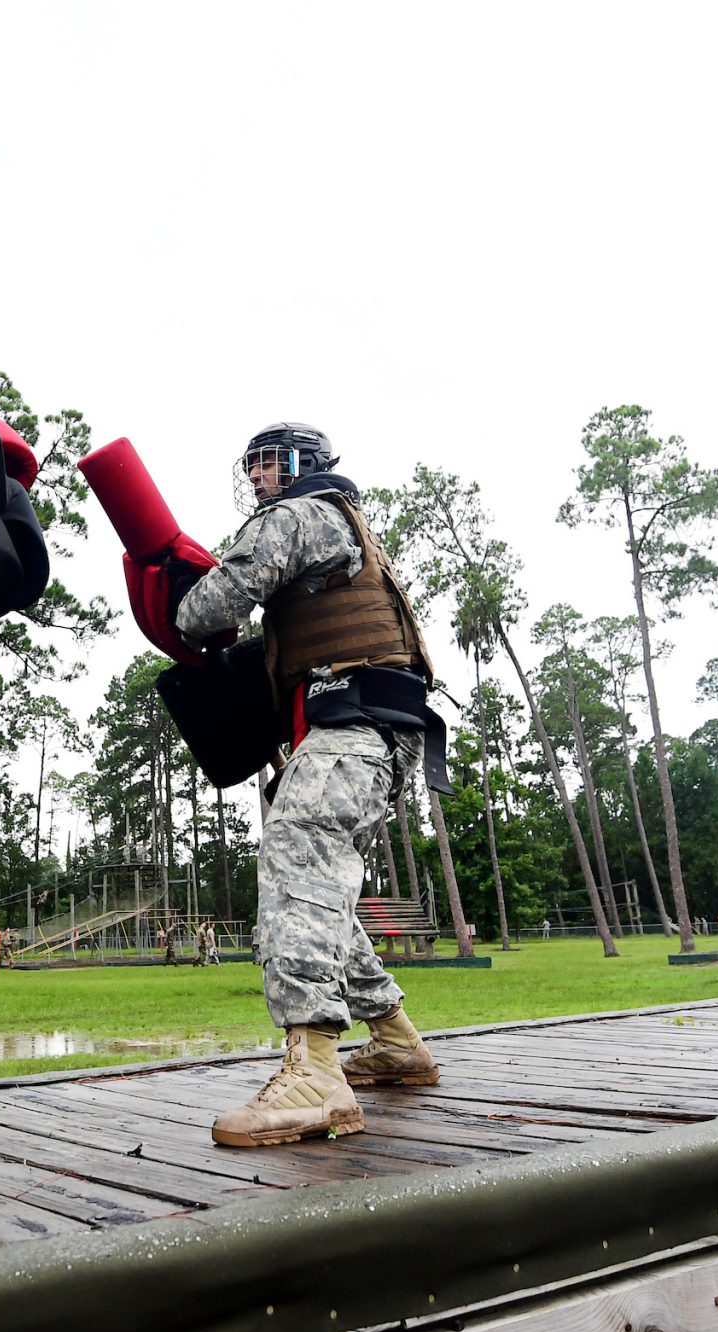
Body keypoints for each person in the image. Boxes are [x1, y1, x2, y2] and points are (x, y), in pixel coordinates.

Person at [172, 422, 443, 1149]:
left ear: (302, 467)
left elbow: (205, 610)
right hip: (368, 723)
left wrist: (175, 596)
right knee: (317, 884)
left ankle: (315, 1072)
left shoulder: (298, 515)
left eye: (270, 463)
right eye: (253, 466)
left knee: (294, 855)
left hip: (357, 722)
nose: (259, 478)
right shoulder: (344, 525)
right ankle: (395, 1039)